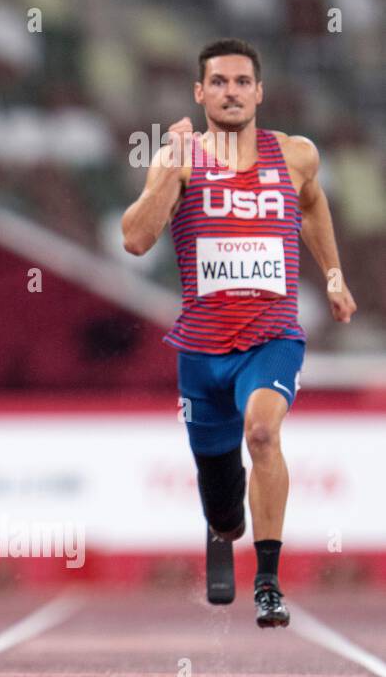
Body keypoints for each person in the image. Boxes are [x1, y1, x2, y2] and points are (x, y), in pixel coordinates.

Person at [121, 39, 356, 627]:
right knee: (223, 509)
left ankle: (269, 583)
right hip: (201, 352)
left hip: (272, 338)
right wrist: (168, 170)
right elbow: (135, 239)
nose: (232, 92)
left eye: (242, 82)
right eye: (220, 82)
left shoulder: (296, 155)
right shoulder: (178, 159)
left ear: (259, 92)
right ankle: (221, 528)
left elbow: (312, 205)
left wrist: (333, 276)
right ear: (200, 93)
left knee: (263, 434)